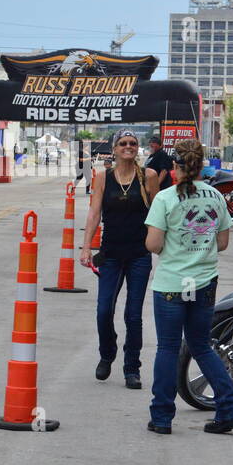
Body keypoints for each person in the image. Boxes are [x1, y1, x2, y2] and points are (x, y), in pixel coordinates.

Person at [144, 139, 233, 433]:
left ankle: (161, 417)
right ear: (202, 164)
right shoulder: (216, 197)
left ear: (175, 167)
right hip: (204, 283)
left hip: (172, 283)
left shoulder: (165, 198)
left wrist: (173, 249)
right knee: (201, 346)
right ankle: (229, 408)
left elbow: (153, 243)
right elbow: (222, 243)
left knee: (168, 348)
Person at [78, 130, 159, 388]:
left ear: (138, 148)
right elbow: (94, 213)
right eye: (123, 143)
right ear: (114, 149)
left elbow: (158, 213)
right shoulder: (103, 178)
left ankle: (131, 368)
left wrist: (162, 245)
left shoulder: (149, 176)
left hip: (139, 255)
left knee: (133, 315)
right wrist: (85, 247)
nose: (128, 147)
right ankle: (107, 353)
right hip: (110, 254)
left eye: (133, 143)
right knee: (104, 311)